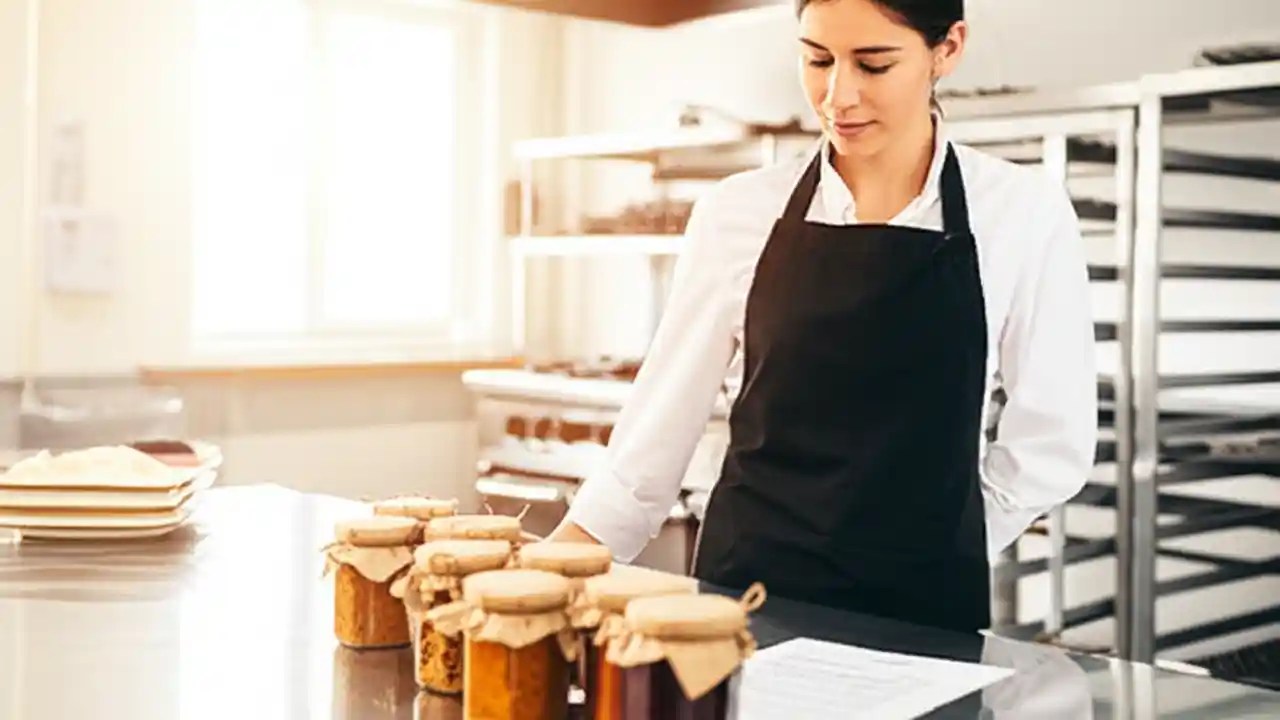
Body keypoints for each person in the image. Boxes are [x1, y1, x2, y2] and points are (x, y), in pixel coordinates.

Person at [548, 0, 1098, 632]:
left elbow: (1050, 444)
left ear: (947, 49)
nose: (838, 96)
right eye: (817, 60)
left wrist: (954, 538)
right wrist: (544, 575)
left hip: (923, 615)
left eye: (873, 64)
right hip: (745, 606)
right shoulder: (737, 213)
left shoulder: (1022, 213)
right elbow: (651, 446)